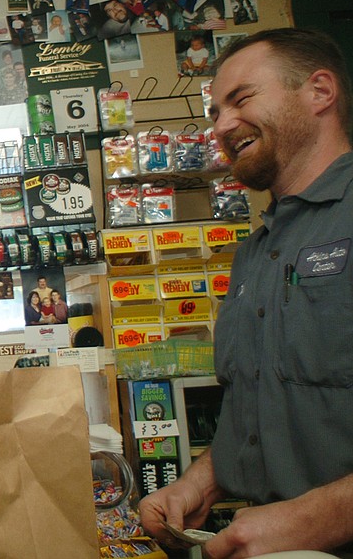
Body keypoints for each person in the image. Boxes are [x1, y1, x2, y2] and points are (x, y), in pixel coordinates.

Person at [140, 28, 353, 558]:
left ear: (320, 92)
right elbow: (261, 406)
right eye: (215, 112)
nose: (223, 125)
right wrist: (198, 485)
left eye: (242, 99)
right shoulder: (255, 252)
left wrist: (317, 519)